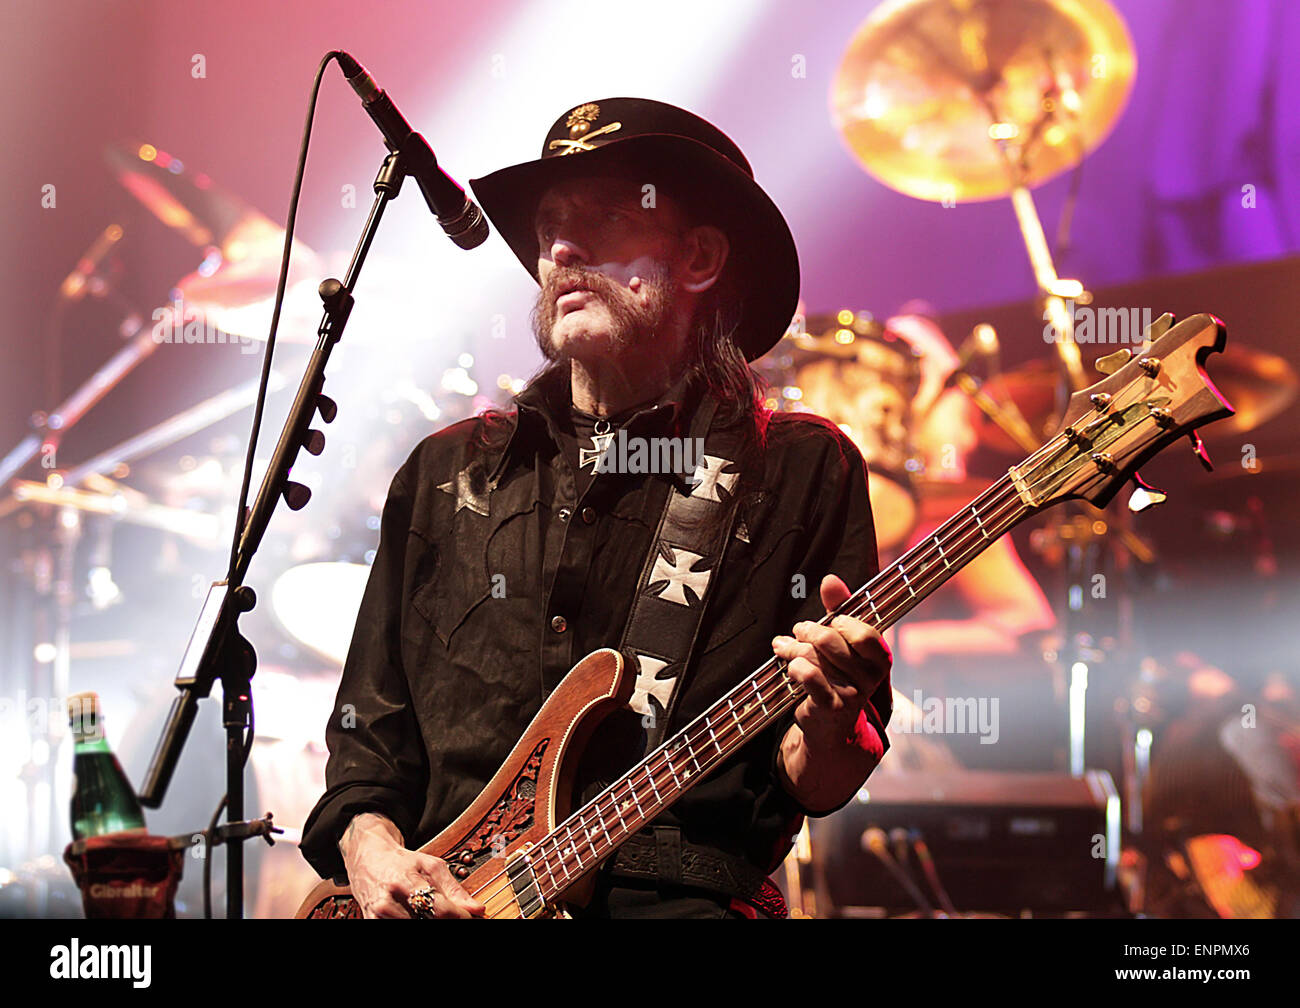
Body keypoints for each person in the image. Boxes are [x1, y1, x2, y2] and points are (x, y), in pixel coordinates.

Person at [299, 98, 894, 918]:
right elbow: (370, 737)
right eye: (549, 227)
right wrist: (369, 848)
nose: (561, 249)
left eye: (606, 218)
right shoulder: (447, 473)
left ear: (700, 258)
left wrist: (834, 720)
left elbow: (817, 779)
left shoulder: (797, 468)